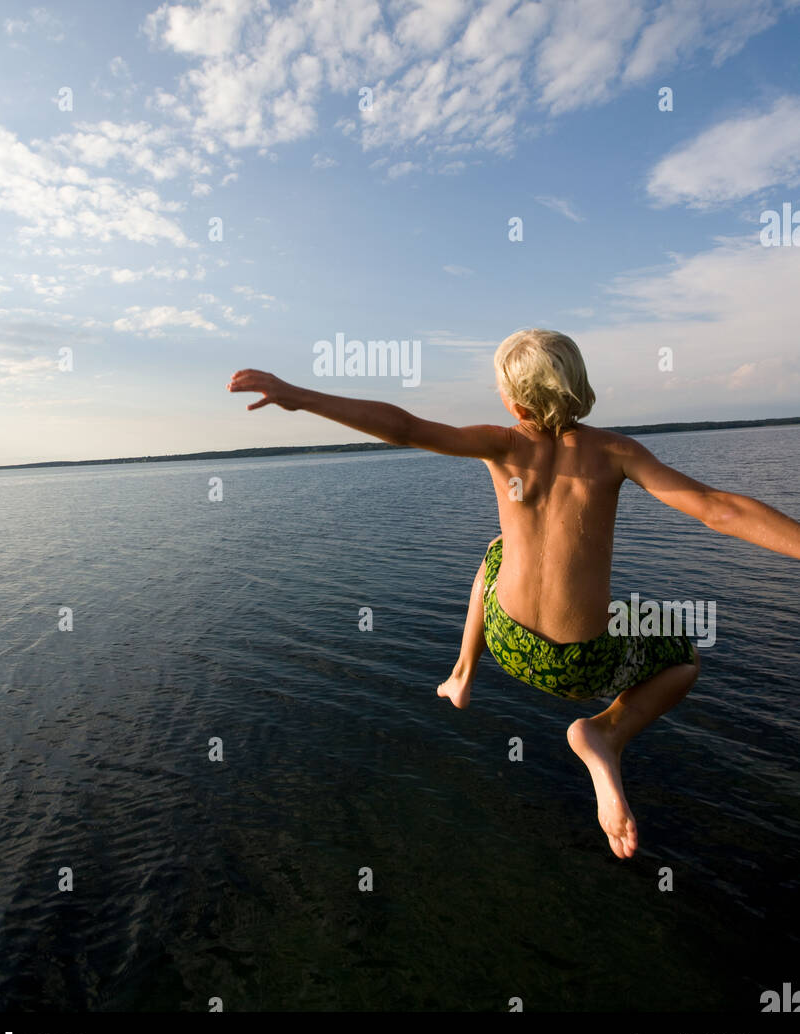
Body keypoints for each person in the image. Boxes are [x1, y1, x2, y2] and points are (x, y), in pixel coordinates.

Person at [227, 330, 800, 860]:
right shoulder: (617, 453)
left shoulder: (500, 446)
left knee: (498, 549)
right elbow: (717, 509)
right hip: (584, 660)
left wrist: (297, 395)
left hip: (511, 642)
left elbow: (402, 426)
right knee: (682, 653)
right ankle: (605, 732)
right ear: (577, 385)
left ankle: (462, 674)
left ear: (514, 401)